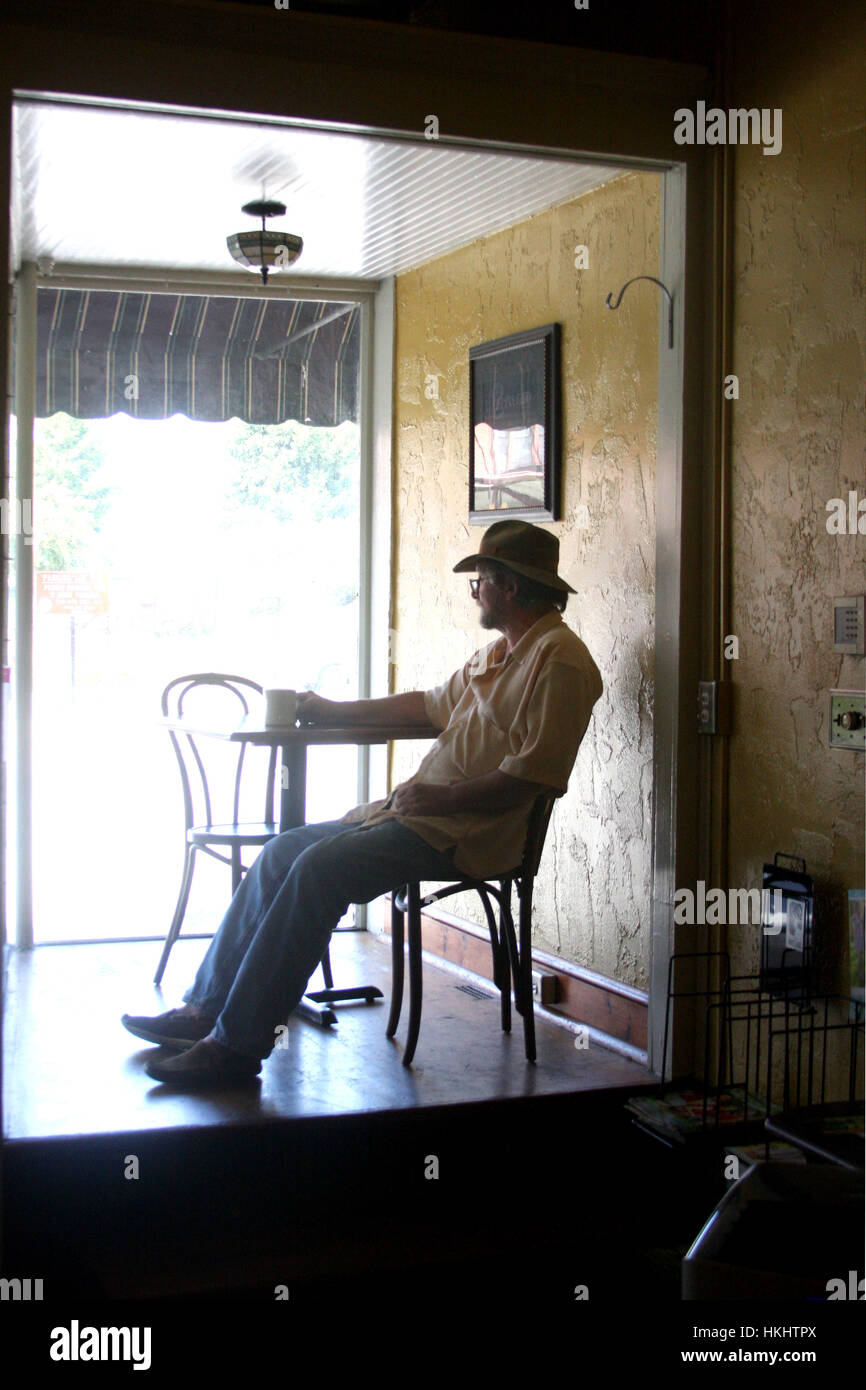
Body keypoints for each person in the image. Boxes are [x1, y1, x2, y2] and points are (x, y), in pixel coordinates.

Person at [122, 520, 603, 1086]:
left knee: (318, 869)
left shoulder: (560, 661)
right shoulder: (501, 654)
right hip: (419, 818)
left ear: (510, 588)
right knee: (282, 853)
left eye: (480, 581)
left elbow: (532, 778)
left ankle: (236, 1047)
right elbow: (424, 708)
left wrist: (441, 798)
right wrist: (331, 709)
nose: (474, 592)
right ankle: (206, 1009)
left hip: (466, 835)